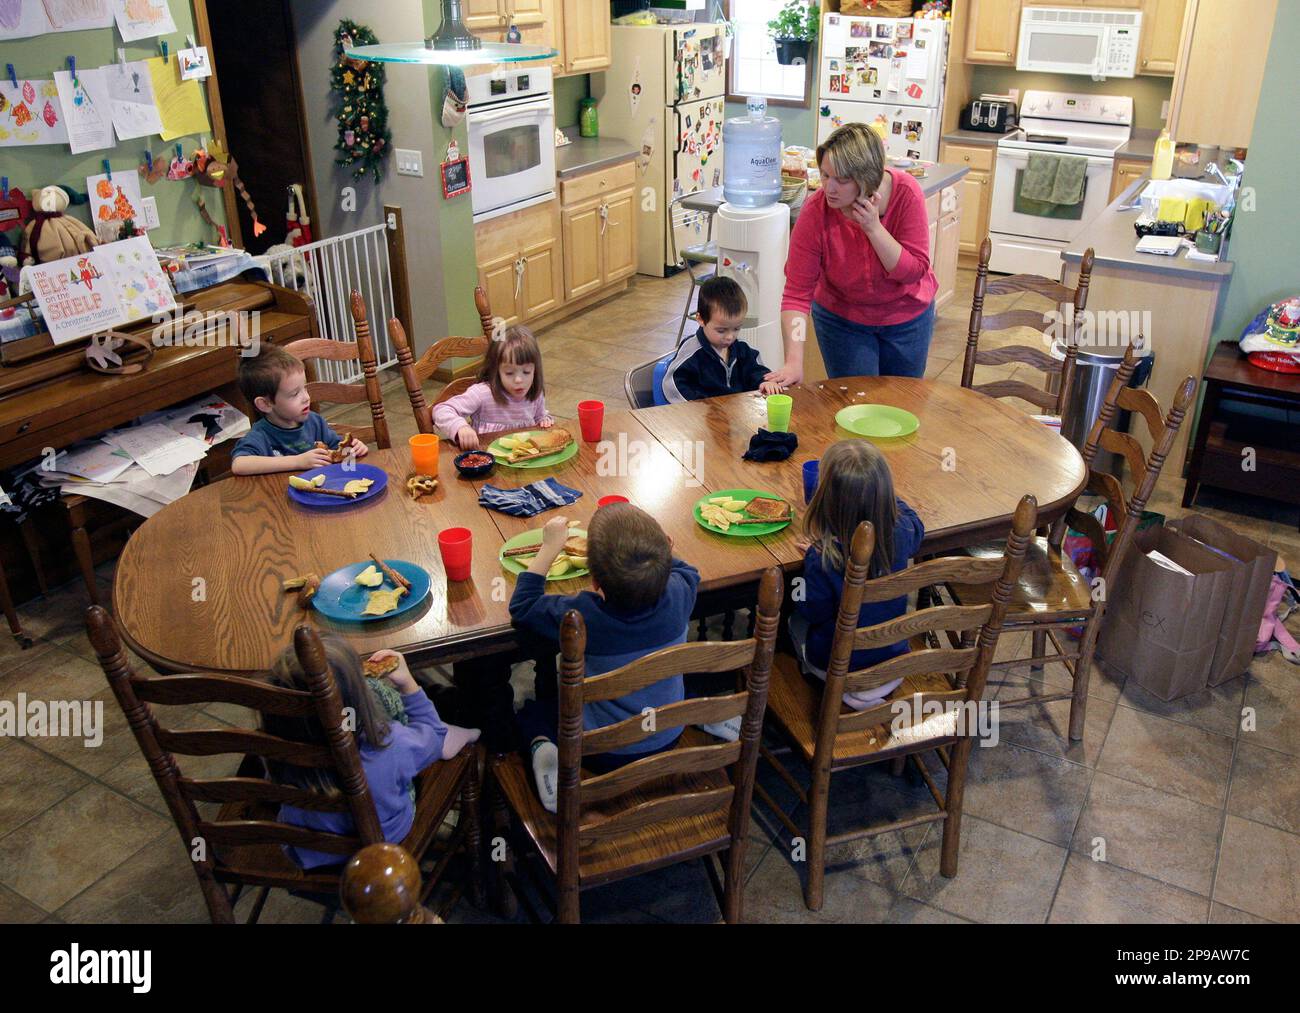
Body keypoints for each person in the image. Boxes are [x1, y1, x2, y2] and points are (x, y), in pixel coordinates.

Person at [508, 504, 700, 812]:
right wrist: (657, 554)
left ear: (595, 582)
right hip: (668, 738)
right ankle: (711, 713)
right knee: (681, 682)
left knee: (533, 708)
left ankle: (544, 747)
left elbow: (523, 606)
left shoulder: (582, 616)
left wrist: (549, 547)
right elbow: (688, 570)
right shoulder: (681, 592)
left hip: (601, 753)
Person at [261, 637, 480, 869]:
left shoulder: (273, 749)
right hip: (382, 842)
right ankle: (454, 733)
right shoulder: (387, 744)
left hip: (308, 851)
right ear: (359, 700)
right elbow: (435, 734)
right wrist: (407, 684)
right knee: (431, 735)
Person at [766, 122, 938, 388]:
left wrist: (873, 228)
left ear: (868, 178)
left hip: (907, 318)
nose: (829, 188)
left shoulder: (906, 193)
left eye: (841, 180)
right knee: (854, 403)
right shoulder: (816, 212)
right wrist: (793, 360)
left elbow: (914, 271)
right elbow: (797, 295)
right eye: (824, 175)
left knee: (903, 403)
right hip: (843, 321)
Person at [793, 439, 925, 710]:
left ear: (825, 499)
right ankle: (866, 694)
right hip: (893, 663)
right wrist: (882, 498)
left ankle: (844, 694)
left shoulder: (823, 558)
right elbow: (916, 523)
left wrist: (806, 565)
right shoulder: (902, 532)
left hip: (837, 670)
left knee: (793, 623)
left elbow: (810, 610)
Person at [231, 346, 368, 475]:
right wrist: (297, 461)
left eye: (305, 388)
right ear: (265, 404)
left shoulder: (315, 422)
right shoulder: (261, 435)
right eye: (294, 394)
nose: (306, 398)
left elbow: (336, 449)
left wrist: (353, 449)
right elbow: (239, 464)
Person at [661, 276, 784, 402]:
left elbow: (756, 369)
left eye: (736, 329)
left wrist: (765, 382)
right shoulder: (692, 352)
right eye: (721, 330)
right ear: (701, 319)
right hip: (703, 415)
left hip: (735, 412)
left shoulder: (742, 349)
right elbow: (672, 384)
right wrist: (698, 406)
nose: (730, 337)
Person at [432, 324, 554, 450]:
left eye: (527, 372)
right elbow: (441, 410)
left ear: (535, 370)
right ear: (496, 370)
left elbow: (540, 417)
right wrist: (460, 427)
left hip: (522, 460)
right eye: (509, 373)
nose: (519, 380)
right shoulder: (482, 393)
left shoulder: (534, 393)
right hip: (485, 458)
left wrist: (544, 420)